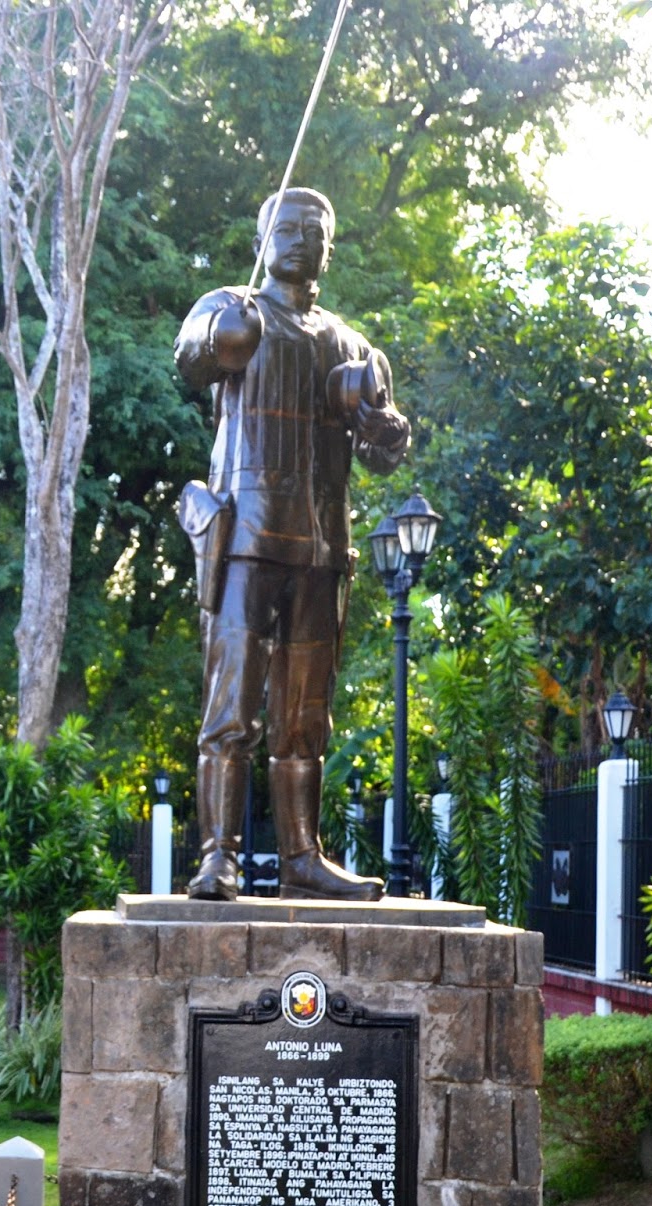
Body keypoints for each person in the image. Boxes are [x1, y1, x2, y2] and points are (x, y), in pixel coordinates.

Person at [174, 185, 411, 902]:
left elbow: (384, 448)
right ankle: (219, 855)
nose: (300, 236)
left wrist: (382, 423)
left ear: (328, 249)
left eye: (315, 228)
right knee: (231, 707)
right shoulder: (232, 307)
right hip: (247, 537)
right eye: (287, 225)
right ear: (263, 237)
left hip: (321, 549)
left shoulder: (351, 344)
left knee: (305, 717)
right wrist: (220, 340)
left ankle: (302, 857)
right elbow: (190, 364)